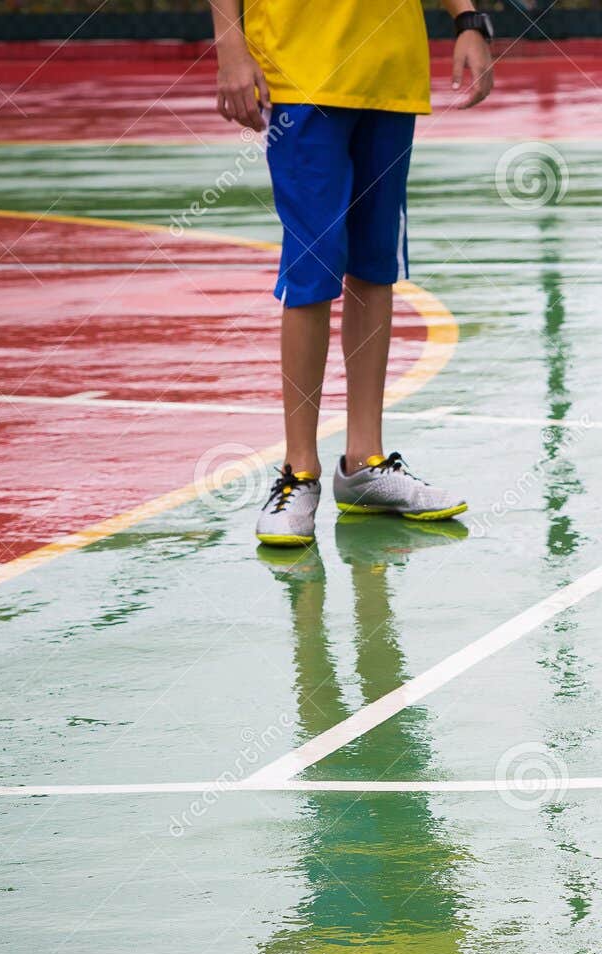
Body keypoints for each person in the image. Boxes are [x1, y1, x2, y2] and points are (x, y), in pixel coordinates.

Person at [207, 0, 498, 546]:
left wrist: (467, 19)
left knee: (374, 268)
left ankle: (364, 462)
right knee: (311, 268)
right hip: (300, 73)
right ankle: (299, 470)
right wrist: (230, 42)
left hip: (390, 72)